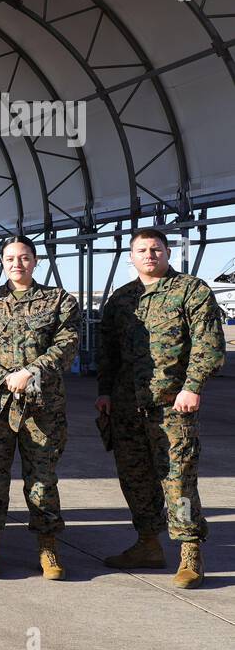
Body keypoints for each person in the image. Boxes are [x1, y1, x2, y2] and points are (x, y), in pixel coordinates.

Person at [96, 227, 225, 589]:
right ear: (131, 257)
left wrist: (192, 386)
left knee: (178, 481)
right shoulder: (121, 300)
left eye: (156, 249)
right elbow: (108, 354)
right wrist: (104, 392)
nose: (149, 255)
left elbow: (208, 344)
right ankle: (148, 544)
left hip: (173, 406)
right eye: (142, 250)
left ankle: (189, 552)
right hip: (126, 408)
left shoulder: (190, 291)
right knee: (135, 477)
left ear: (167, 252)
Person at [0, 235, 82, 579]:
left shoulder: (58, 300)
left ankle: (48, 547)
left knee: (42, 481)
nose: (17, 264)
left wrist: (31, 371)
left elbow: (68, 342)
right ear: (1, 262)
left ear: (35, 261)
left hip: (42, 407)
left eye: (24, 258)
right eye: (10, 258)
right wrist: (3, 377)